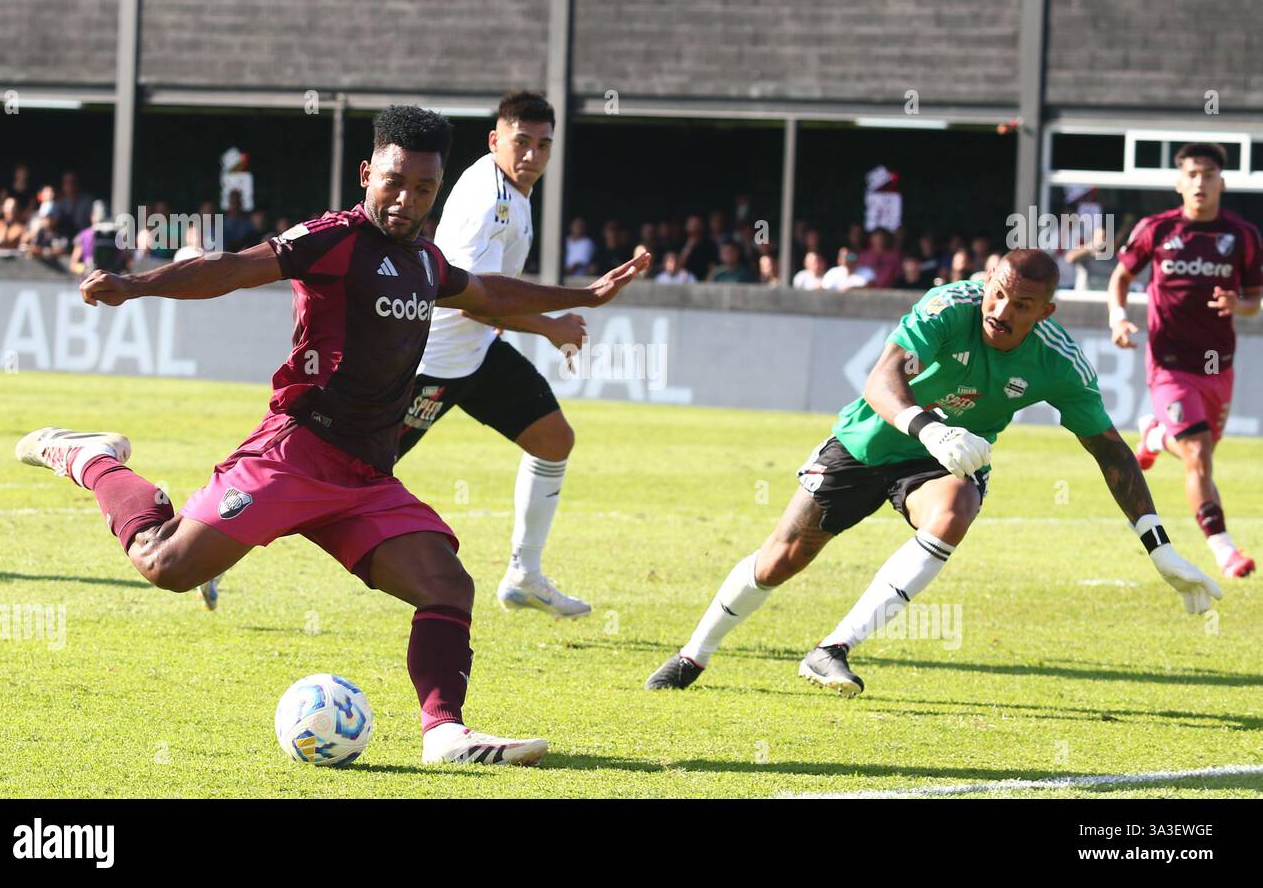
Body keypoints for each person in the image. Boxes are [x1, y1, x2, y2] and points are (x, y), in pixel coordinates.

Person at [15, 105, 647, 766]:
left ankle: (445, 735)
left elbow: (486, 292)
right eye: (394, 182)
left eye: (424, 189)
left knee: (447, 586)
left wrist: (585, 296)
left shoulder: (426, 261)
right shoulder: (333, 239)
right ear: (367, 172)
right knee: (164, 565)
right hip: (294, 454)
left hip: (366, 477)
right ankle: (90, 458)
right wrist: (134, 284)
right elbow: (233, 267)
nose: (407, 200)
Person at [646, 249, 1222, 695]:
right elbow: (881, 379)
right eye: (998, 295)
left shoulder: (1059, 361)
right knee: (781, 557)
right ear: (988, 284)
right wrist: (930, 428)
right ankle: (693, 655)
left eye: (1022, 306)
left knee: (955, 511)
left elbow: (1112, 452)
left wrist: (1158, 546)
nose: (1001, 311)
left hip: (946, 459)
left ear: (1046, 311)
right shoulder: (950, 305)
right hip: (876, 437)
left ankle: (834, 649)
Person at [398, 92, 597, 620]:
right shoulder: (488, 199)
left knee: (553, 439)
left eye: (543, 145)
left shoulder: (514, 189)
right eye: (521, 143)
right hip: (430, 363)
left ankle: (524, 575)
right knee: (346, 473)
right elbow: (472, 302)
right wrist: (552, 327)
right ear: (495, 141)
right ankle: (221, 550)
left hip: (479, 355)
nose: (532, 155)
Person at [1108, 142, 1261, 579]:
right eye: (1192, 174)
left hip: (1217, 364)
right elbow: (1121, 277)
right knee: (1198, 454)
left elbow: (1254, 299)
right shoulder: (1156, 230)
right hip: (1169, 362)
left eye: (1208, 174)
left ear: (1222, 183)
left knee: (1203, 449)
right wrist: (1119, 319)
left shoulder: (1242, 236)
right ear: (1179, 182)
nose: (1200, 182)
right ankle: (1224, 548)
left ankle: (1155, 437)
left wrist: (1239, 304)